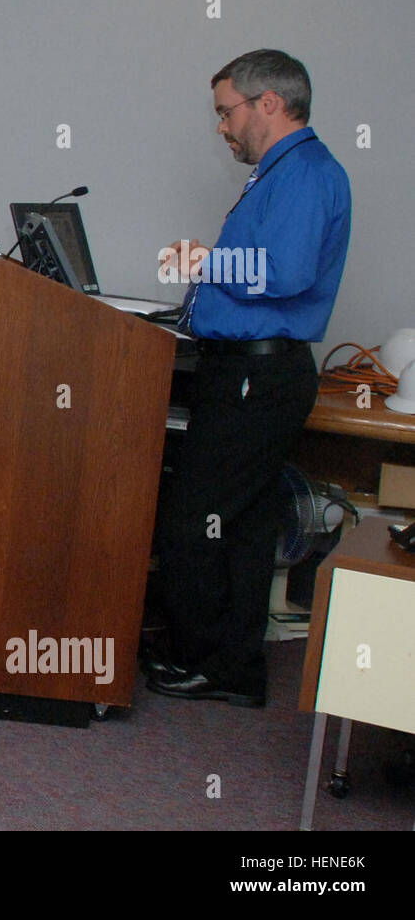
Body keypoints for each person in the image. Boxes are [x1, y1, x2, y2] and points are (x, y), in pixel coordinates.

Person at [147, 49, 351, 707]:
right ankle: (229, 662)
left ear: (269, 103)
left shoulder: (306, 175)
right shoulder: (281, 173)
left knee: (195, 517)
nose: (221, 128)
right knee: (242, 524)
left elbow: (287, 275)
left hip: (256, 376)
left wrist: (208, 262)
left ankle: (206, 657)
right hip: (251, 371)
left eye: (226, 112)